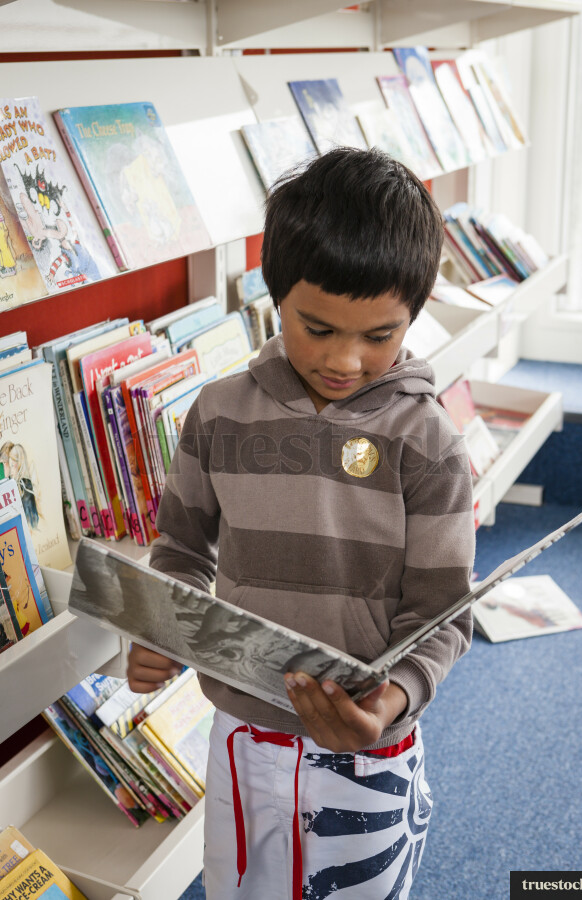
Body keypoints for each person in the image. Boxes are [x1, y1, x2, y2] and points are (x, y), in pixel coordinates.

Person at [127, 147, 475, 900]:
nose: (346, 360)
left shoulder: (428, 443)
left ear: (415, 315)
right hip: (242, 734)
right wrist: (163, 626)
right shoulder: (218, 414)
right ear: (273, 294)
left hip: (366, 750)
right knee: (238, 885)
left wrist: (390, 703)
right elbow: (182, 549)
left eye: (379, 336)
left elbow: (443, 616)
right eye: (316, 328)